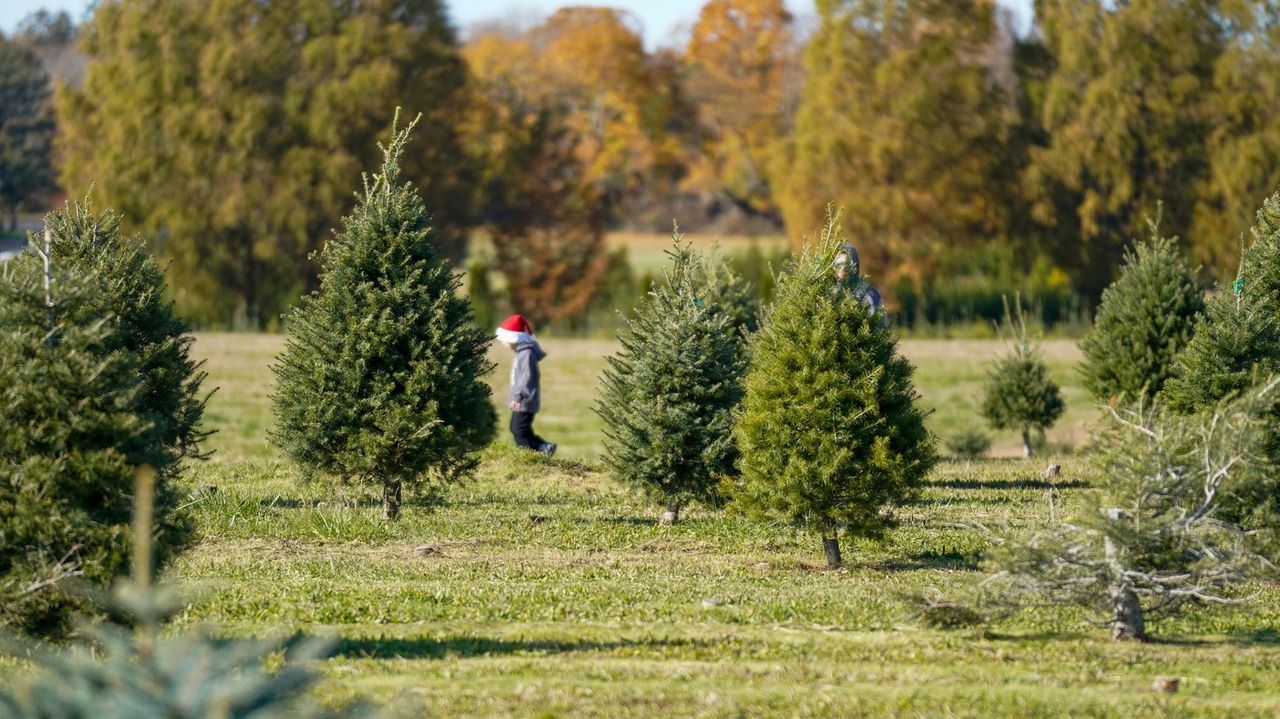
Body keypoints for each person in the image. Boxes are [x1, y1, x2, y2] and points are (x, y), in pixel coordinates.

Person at [496, 314, 556, 457]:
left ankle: (531, 453)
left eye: (505, 341)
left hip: (525, 400)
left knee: (518, 429)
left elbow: (526, 379)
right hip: (522, 399)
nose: (504, 344)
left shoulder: (527, 354)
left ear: (514, 338)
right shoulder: (522, 353)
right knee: (519, 428)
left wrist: (518, 397)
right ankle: (543, 447)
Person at [833, 242, 883, 314]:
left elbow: (874, 322)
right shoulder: (827, 292)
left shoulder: (867, 295)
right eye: (838, 264)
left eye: (847, 264)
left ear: (855, 266)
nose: (842, 269)